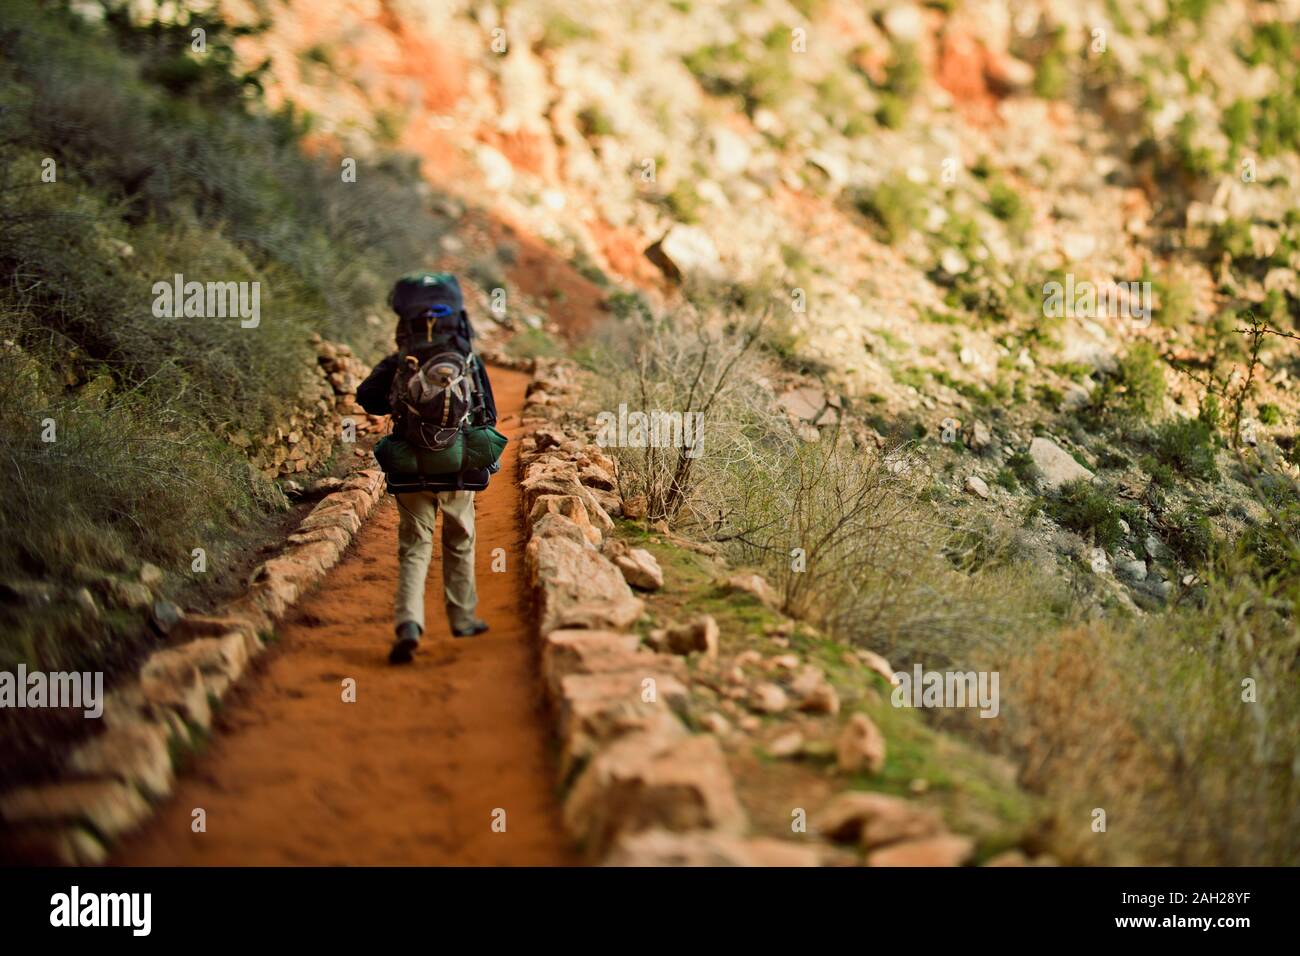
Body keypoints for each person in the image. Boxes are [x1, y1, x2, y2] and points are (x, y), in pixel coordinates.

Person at [357, 274, 499, 664]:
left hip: (409, 467)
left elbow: (367, 398)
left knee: (415, 546)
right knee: (459, 538)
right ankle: (463, 618)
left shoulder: (402, 360)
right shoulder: (468, 361)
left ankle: (409, 624)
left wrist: (402, 395)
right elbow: (490, 412)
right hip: (456, 466)